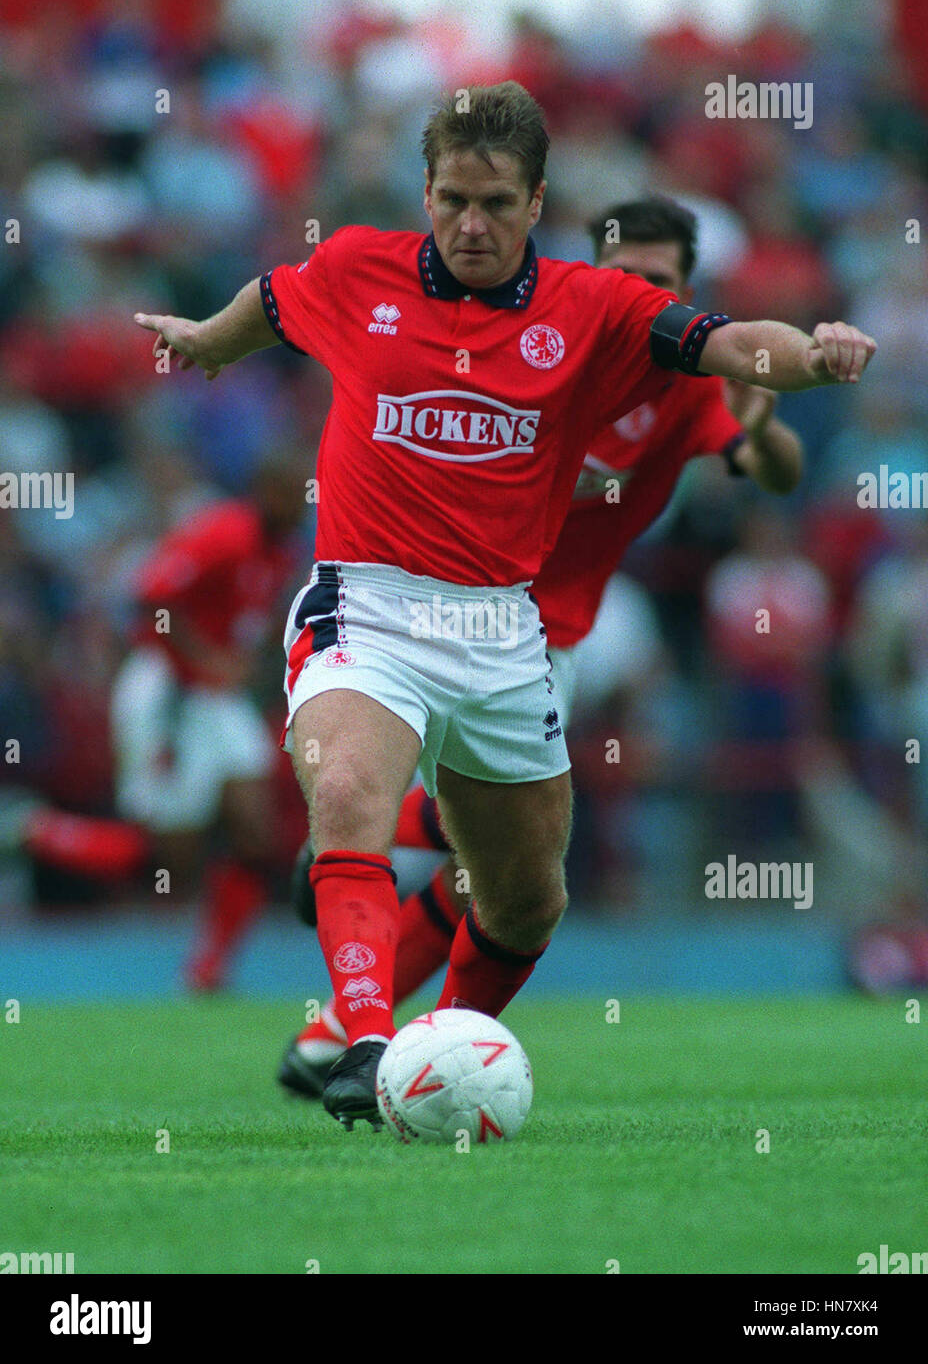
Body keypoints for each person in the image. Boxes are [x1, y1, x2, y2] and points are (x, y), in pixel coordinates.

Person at [133, 83, 876, 1129]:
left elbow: (725, 345)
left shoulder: (595, 308)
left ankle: (442, 1053)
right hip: (369, 603)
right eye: (449, 200)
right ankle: (362, 1041)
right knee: (344, 785)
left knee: (525, 895)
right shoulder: (357, 269)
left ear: (536, 202)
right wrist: (210, 341)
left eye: (493, 203)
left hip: (504, 629)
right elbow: (275, 293)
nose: (468, 225)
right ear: (425, 193)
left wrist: (813, 355)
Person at [277, 194, 806, 1099]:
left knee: (502, 866)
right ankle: (354, 1010)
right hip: (441, 610)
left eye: (661, 281)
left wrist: (760, 426)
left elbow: (774, 472)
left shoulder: (687, 388)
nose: (639, 291)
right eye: (625, 274)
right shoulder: (544, 343)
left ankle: (344, 1024)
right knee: (476, 850)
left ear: (685, 291)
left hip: (540, 637)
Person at [12, 452, 309, 989]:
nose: (304, 505)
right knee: (164, 853)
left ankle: (208, 971)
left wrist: (250, 664)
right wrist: (205, 662)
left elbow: (253, 621)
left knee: (254, 828)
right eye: (295, 492)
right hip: (166, 689)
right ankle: (35, 830)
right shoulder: (223, 532)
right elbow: (149, 599)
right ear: (264, 488)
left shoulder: (281, 549)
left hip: (216, 701)